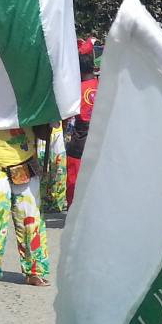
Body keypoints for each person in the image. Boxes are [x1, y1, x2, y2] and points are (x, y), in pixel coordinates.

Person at [0, 125, 52, 293]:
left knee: (31, 219)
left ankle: (34, 271)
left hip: (24, 164)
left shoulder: (30, 97)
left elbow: (44, 127)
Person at [65, 41, 98, 206]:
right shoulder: (105, 86)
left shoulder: (75, 90)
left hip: (80, 142)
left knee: (75, 183)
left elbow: (66, 116)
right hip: (102, 142)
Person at [40, 122, 68, 213]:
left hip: (57, 132)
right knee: (41, 167)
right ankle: (43, 201)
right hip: (41, 132)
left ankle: (57, 202)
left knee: (59, 169)